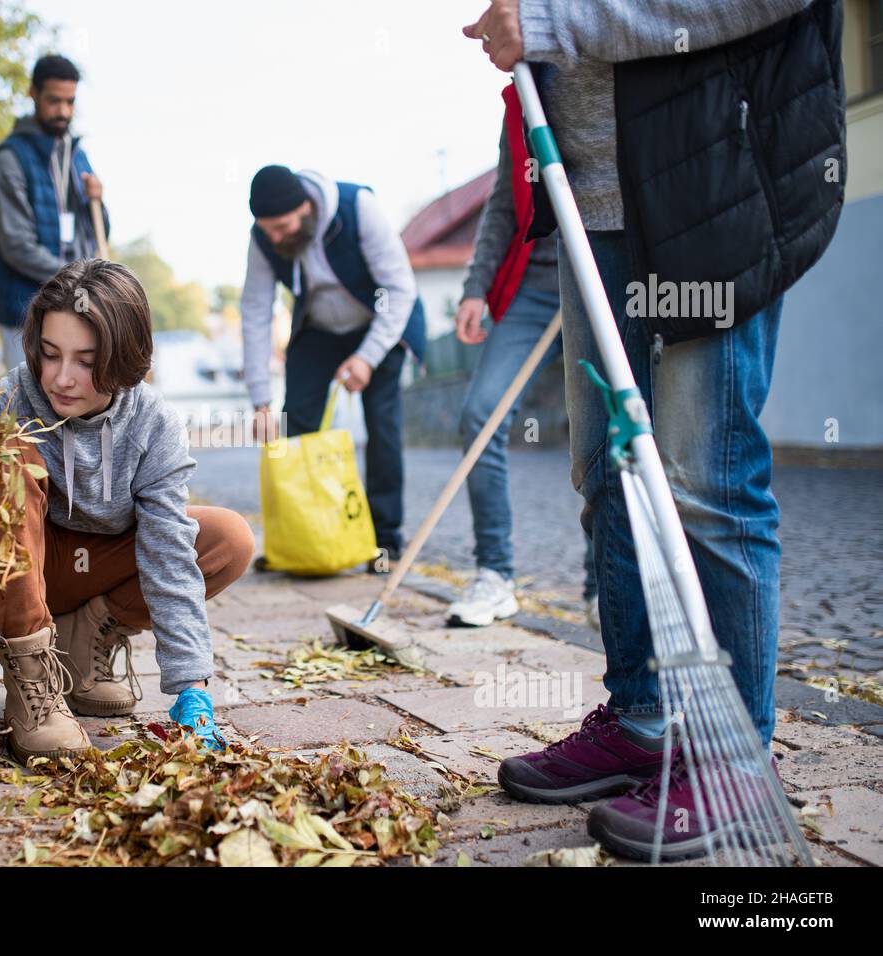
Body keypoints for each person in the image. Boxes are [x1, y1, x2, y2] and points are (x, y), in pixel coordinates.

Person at [464, 0, 844, 859]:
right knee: (607, 475)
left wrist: (554, 26)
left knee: (705, 479)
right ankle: (643, 719)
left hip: (710, 187)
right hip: (589, 207)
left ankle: (734, 759)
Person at [0, 260, 255, 759]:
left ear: (125, 358)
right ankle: (33, 681)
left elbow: (169, 553)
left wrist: (191, 683)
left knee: (227, 537)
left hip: (98, 567)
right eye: (50, 354)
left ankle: (84, 645)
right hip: (23, 570)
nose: (62, 378)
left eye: (86, 361)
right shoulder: (10, 399)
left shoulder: (154, 425)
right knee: (3, 458)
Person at [446, 92, 598, 629]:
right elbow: (504, 203)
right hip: (533, 284)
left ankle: (604, 585)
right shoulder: (522, 95)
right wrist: (474, 287)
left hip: (605, 274)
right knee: (481, 415)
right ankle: (495, 575)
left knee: (601, 430)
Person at [241, 165, 427, 572]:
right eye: (267, 229)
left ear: (306, 208)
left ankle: (385, 542)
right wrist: (259, 399)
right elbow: (255, 310)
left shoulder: (357, 207)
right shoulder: (264, 236)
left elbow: (398, 288)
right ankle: (302, 537)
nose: (275, 237)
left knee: (382, 426)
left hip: (380, 323)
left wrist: (368, 357)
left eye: (282, 227)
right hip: (319, 329)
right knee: (299, 424)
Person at [0, 54, 108, 372]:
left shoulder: (78, 156)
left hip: (77, 309)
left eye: (70, 102)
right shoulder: (10, 159)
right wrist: (76, 281)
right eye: (54, 101)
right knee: (31, 416)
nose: (63, 111)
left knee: (76, 414)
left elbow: (96, 235)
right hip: (25, 315)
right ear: (33, 94)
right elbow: (17, 246)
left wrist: (99, 202)